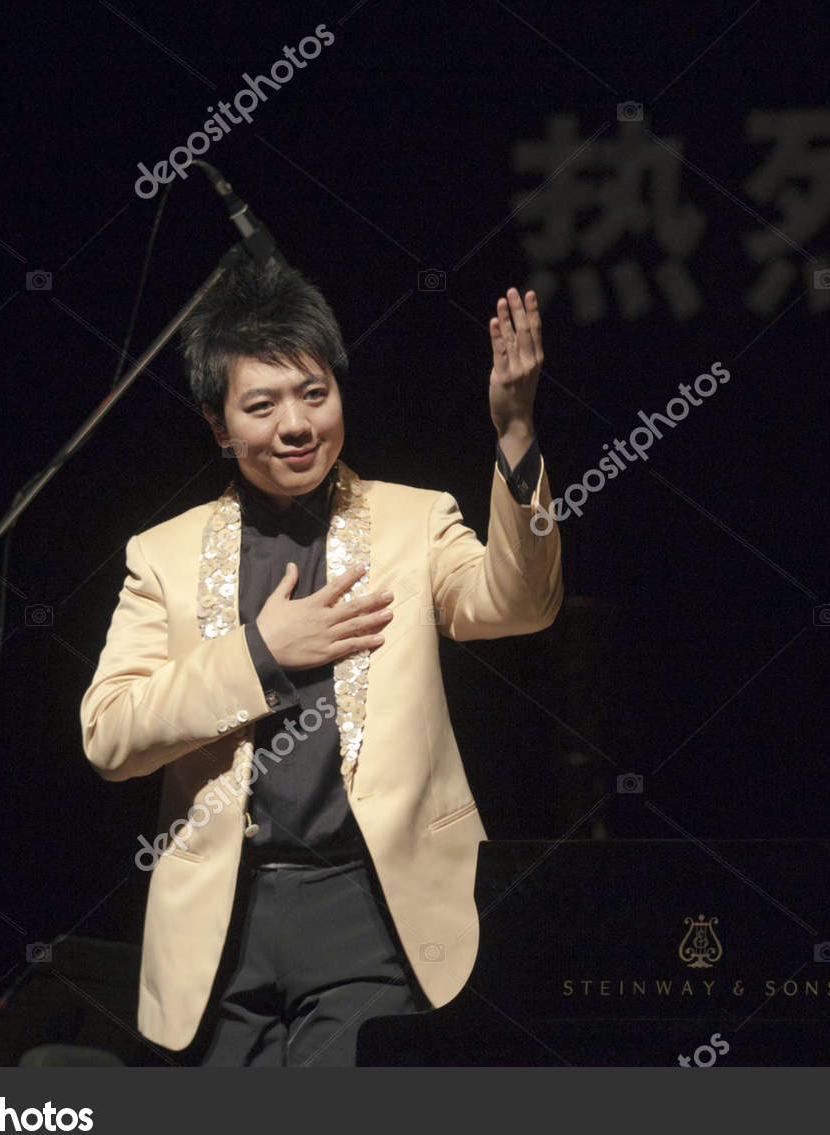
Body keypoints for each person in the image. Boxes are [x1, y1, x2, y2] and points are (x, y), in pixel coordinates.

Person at [79, 258, 563, 1065]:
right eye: (261, 405)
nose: (296, 424)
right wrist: (261, 652)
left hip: (368, 906)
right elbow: (108, 735)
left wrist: (515, 434)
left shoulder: (415, 522)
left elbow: (519, 605)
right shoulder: (160, 555)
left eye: (314, 394)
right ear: (219, 425)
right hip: (221, 921)